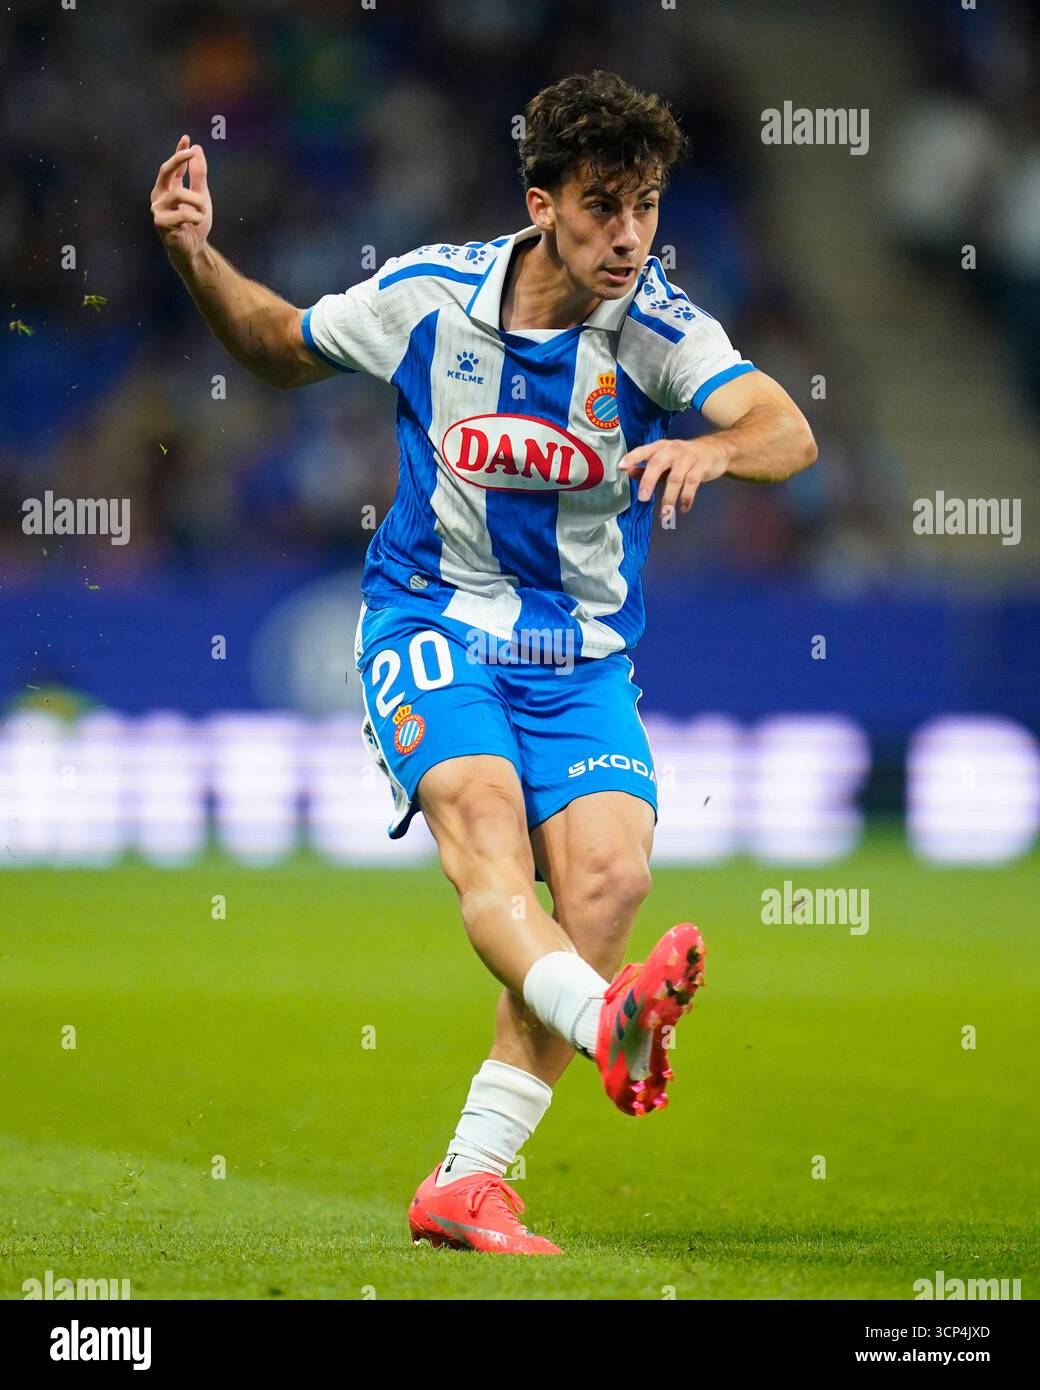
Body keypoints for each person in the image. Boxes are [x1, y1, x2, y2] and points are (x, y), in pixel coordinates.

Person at [151, 69, 817, 1256]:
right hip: (429, 623)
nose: (627, 237)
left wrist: (714, 451)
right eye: (602, 205)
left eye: (647, 206)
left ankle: (465, 1180)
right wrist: (199, 254)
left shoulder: (659, 324)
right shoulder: (429, 298)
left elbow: (785, 425)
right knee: (485, 822)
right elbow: (275, 344)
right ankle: (607, 1018)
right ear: (540, 199)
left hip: (581, 657)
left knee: (609, 884)